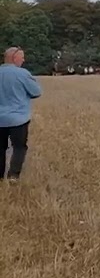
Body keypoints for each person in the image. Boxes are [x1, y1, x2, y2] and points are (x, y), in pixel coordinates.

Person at [0, 47, 43, 182]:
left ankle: (0, 177)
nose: (23, 60)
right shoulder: (22, 74)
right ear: (14, 58)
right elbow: (36, 92)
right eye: (22, 57)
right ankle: (13, 175)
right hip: (18, 118)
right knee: (19, 147)